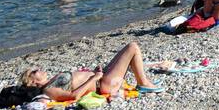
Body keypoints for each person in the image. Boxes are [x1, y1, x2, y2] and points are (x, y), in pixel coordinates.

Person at [20, 41, 164, 99]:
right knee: (132, 47)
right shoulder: (48, 90)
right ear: (32, 82)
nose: (38, 68)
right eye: (34, 72)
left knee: (130, 49)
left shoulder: (51, 82)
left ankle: (144, 82)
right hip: (103, 84)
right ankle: (143, 83)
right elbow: (73, 96)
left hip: (101, 78)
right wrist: (93, 78)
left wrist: (93, 73)